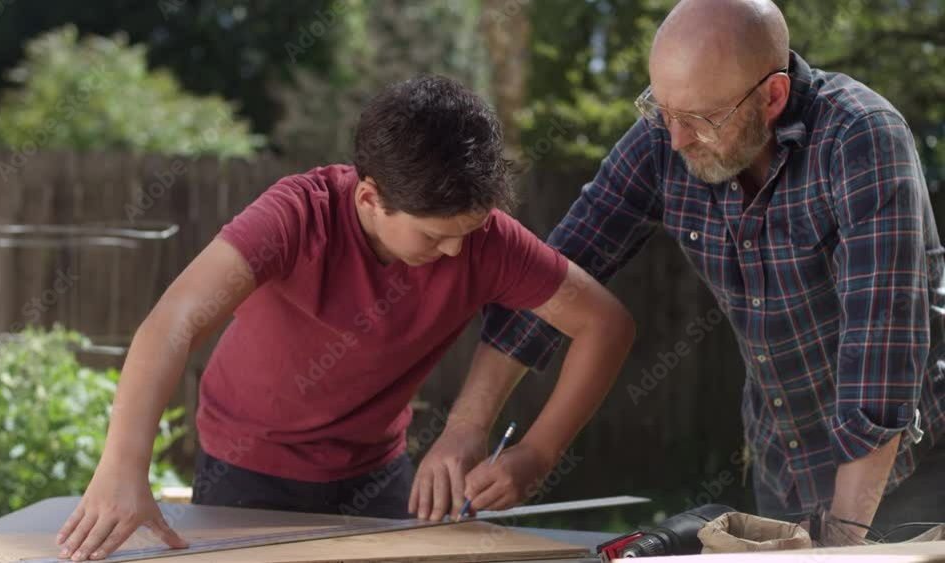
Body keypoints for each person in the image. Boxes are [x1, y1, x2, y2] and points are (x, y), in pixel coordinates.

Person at [54, 75, 636, 561]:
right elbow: (170, 325)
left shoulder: (484, 240)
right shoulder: (295, 215)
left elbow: (606, 325)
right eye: (436, 236)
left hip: (377, 474)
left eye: (470, 231)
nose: (458, 253)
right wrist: (123, 470)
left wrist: (538, 453)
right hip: (247, 473)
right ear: (369, 199)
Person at [480, 0, 945, 542]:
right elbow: (556, 270)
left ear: (773, 96)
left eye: (700, 118)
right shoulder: (668, 133)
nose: (675, 138)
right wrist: (471, 428)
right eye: (663, 109)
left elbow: (880, 359)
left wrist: (839, 542)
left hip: (913, 472)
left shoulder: (861, 138)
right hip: (785, 472)